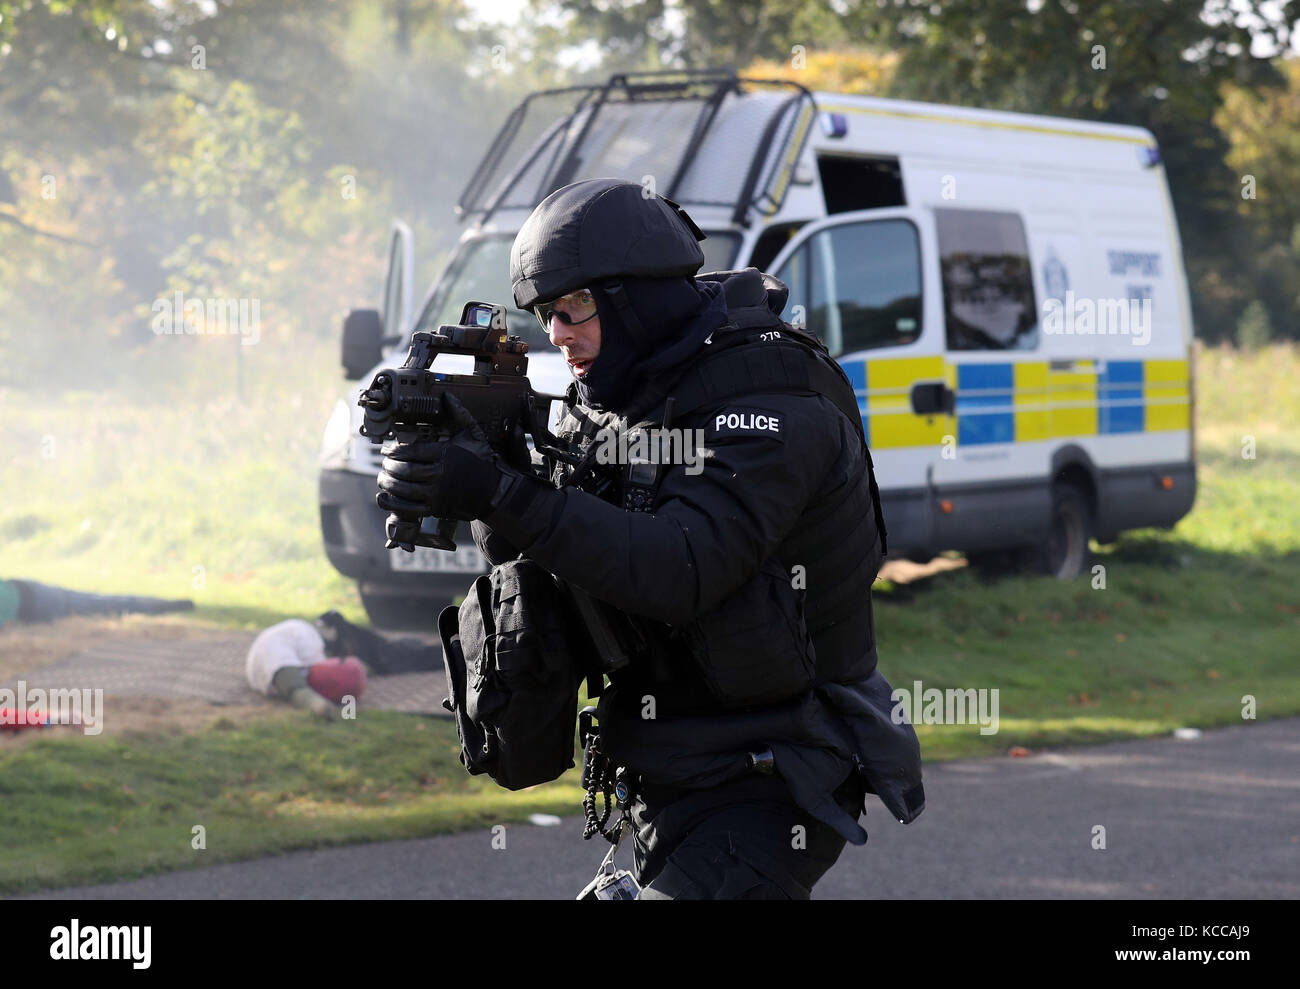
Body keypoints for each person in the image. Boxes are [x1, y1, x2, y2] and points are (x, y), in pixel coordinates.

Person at [376, 178, 924, 899]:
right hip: (668, 771)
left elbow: (684, 567)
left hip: (774, 776)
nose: (558, 334)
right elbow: (541, 561)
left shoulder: (771, 398)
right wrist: (491, 470)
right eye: (547, 314)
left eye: (574, 309)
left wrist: (501, 489)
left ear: (636, 297)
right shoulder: (620, 397)